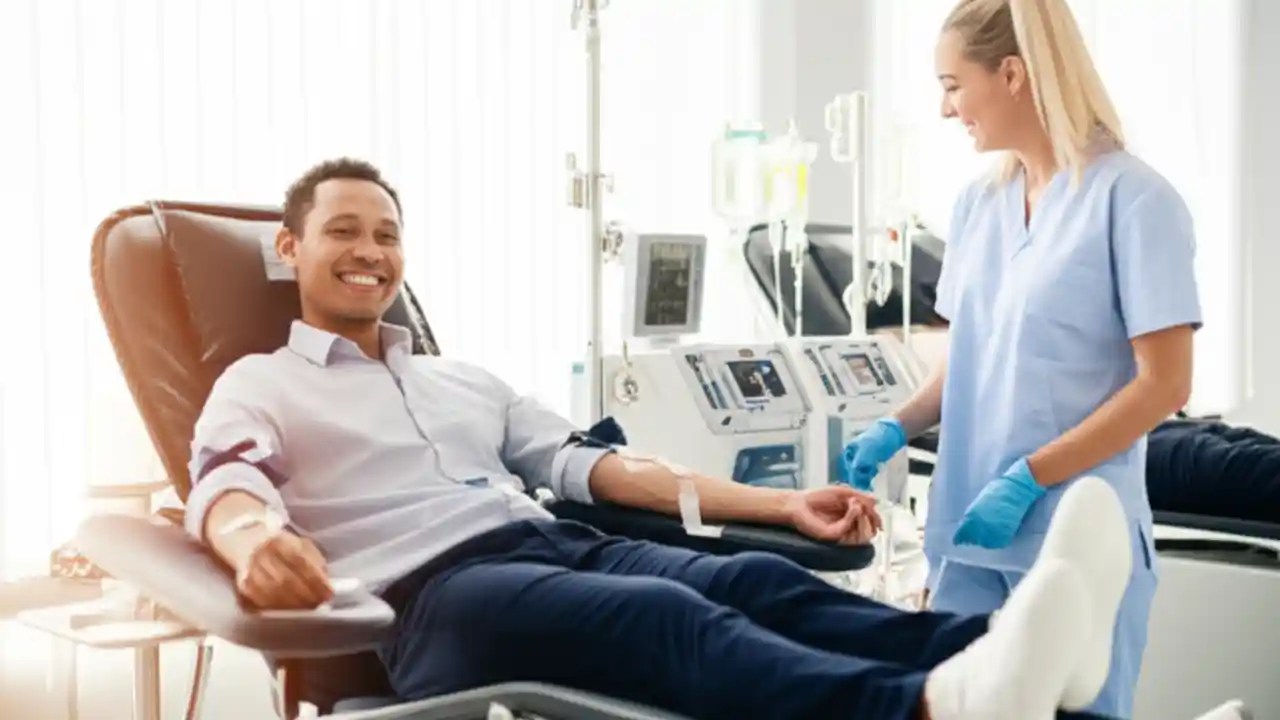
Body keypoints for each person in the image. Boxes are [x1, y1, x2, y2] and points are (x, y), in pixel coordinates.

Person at [185, 157, 1139, 720]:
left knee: (756, 582)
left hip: (556, 545)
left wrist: (780, 505)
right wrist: (255, 540)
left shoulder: (460, 379)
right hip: (434, 599)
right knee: (673, 621)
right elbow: (227, 483)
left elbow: (595, 467)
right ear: (290, 247)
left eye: (387, 234)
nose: (370, 252)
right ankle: (926, 709)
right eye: (343, 231)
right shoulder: (259, 384)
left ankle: (1015, 650)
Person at [842, 0, 1200, 717]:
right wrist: (895, 425)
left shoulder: (1135, 201)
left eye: (953, 85)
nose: (946, 109)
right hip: (967, 534)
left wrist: (1030, 477)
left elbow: (1165, 384)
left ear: (1011, 74)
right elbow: (969, 360)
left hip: (1075, 536)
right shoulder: (979, 205)